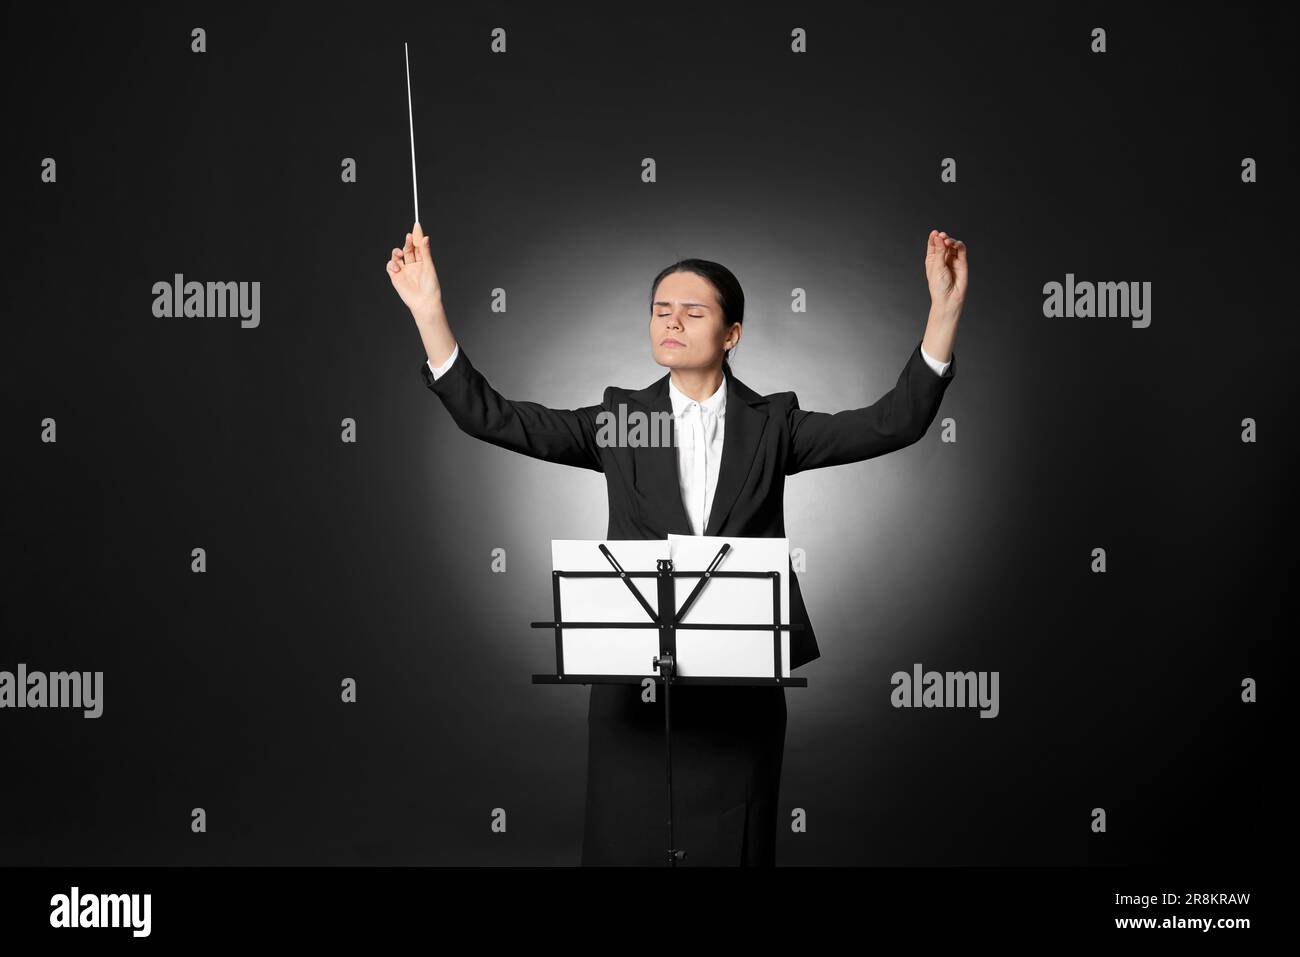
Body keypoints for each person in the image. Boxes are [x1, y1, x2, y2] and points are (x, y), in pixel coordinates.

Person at [386, 223, 966, 865]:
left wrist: (943, 311)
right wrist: (428, 310)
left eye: (694, 312)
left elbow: (895, 422)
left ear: (732, 334)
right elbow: (490, 416)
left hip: (738, 696)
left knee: (733, 846)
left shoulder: (775, 422)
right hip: (632, 695)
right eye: (662, 311)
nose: (673, 322)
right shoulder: (620, 419)